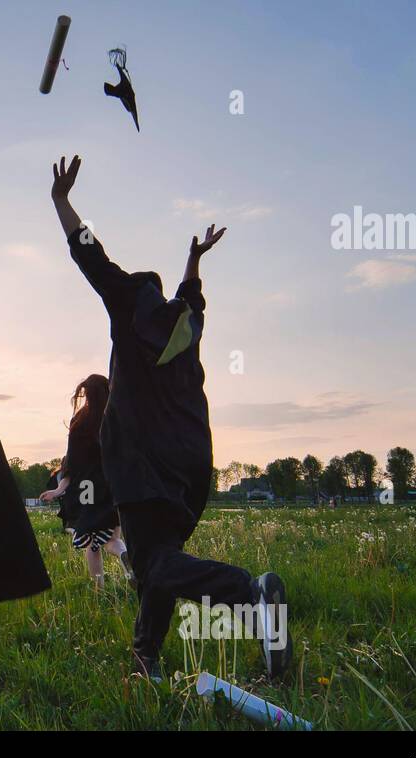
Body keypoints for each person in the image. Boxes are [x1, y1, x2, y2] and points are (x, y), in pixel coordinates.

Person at [49, 155, 291, 681]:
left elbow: (93, 258)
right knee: (157, 560)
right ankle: (145, 660)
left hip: (142, 461)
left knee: (151, 563)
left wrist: (62, 202)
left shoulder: (128, 302)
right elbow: (193, 296)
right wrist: (194, 258)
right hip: (190, 465)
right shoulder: (185, 323)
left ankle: (250, 597)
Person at [38, 374, 134, 587]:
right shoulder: (117, 416)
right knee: (112, 538)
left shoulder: (81, 420)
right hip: (112, 485)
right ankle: (126, 555)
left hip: (86, 488)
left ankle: (99, 592)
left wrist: (60, 488)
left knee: (91, 543)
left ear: (86, 393)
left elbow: (71, 460)